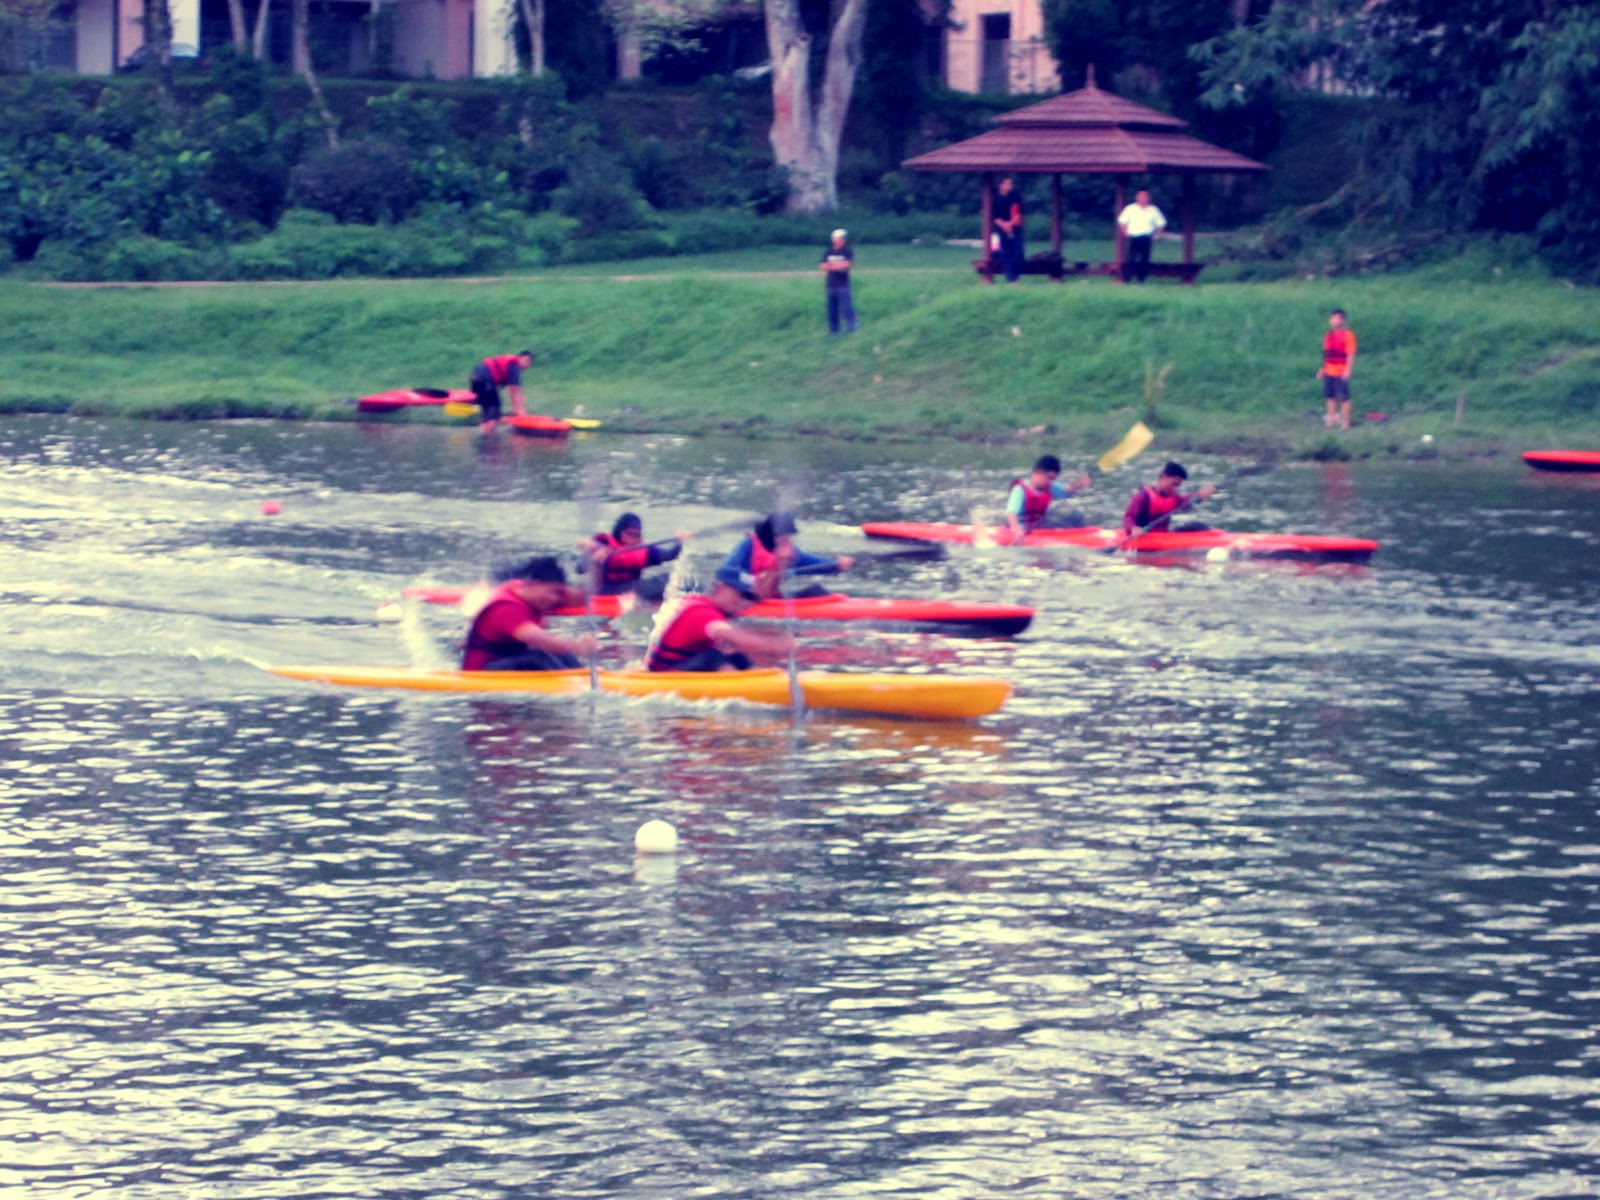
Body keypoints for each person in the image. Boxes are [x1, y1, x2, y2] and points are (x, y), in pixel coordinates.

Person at [460, 555, 596, 671]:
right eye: (552, 592)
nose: (555, 599)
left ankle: (581, 673)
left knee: (562, 655)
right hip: (483, 670)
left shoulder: (529, 591)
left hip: (509, 660)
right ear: (533, 584)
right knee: (539, 656)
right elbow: (542, 642)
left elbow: (583, 598)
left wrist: (595, 567)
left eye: (559, 593)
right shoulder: (506, 608)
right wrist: (577, 646)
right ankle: (574, 684)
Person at [645, 580, 796, 672]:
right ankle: (740, 689)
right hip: (664, 672)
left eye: (744, 595)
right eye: (736, 592)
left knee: (736, 656)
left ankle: (754, 682)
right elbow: (732, 636)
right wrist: (776, 645)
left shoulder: (710, 607)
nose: (740, 600)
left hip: (682, 664)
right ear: (719, 588)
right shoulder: (703, 613)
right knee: (714, 657)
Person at [715, 512, 855, 601]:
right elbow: (725, 572)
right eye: (784, 537)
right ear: (772, 537)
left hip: (772, 599)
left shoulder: (789, 551)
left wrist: (837, 565)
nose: (788, 541)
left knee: (818, 591)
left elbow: (813, 564)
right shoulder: (748, 546)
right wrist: (753, 580)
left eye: (789, 537)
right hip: (746, 598)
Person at [585, 512, 687, 602]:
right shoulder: (603, 544)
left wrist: (680, 542)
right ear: (619, 532)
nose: (632, 539)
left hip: (632, 592)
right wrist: (593, 558)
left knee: (672, 578)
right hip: (605, 594)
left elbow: (669, 555)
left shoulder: (643, 550)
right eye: (629, 534)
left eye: (636, 535)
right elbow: (579, 568)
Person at [1005, 454, 1093, 537]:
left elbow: (1068, 491)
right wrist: (1016, 529)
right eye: (1050, 478)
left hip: (1038, 528)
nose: (1051, 482)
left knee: (1075, 518)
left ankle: (1084, 536)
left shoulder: (1050, 486)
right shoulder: (1019, 490)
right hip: (1021, 528)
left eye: (1053, 479)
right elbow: (1011, 513)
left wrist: (1080, 484)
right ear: (1039, 472)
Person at [1123, 461, 1217, 535]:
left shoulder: (1173, 497)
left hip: (1163, 536)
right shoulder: (1142, 497)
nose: (1175, 488)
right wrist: (1133, 528)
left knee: (1199, 526)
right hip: (1144, 536)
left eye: (1178, 485)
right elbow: (1128, 517)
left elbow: (1186, 503)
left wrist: (1200, 496)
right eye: (1174, 484)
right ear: (1164, 477)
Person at [469, 349, 533, 435]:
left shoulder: (512, 364)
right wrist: (521, 413)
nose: (526, 365)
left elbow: (513, 392)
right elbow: (515, 391)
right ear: (520, 358)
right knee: (494, 413)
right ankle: (489, 439)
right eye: (526, 360)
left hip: (475, 376)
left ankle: (483, 435)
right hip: (485, 379)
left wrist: (515, 411)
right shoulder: (514, 365)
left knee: (487, 411)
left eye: (529, 362)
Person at [1318, 308, 1357, 430]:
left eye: (1336, 318)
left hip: (1341, 371)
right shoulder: (1328, 336)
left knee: (1344, 397)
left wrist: (1348, 369)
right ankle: (1331, 420)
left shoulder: (1348, 335)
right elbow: (1326, 354)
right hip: (1329, 370)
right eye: (1332, 318)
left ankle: (1345, 423)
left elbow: (1350, 353)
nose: (1333, 320)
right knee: (1330, 396)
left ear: (1342, 320)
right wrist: (1323, 369)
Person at [1116, 190, 1167, 284]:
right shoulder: (1130, 208)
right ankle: (1127, 278)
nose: (1143, 199)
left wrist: (1157, 235)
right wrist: (1125, 233)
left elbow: (1161, 223)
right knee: (1131, 258)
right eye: (1141, 197)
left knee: (1144, 259)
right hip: (1134, 237)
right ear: (1137, 198)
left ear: (1148, 198)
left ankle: (1141, 279)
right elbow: (1121, 222)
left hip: (1146, 237)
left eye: (1145, 197)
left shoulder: (1153, 210)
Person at [820, 229, 857, 335]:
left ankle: (852, 328)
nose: (843, 240)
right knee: (832, 310)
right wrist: (838, 266)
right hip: (830, 285)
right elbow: (823, 265)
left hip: (843, 285)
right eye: (841, 238)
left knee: (847, 308)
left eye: (844, 238)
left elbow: (846, 266)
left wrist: (831, 266)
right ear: (834, 239)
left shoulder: (847, 251)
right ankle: (834, 331)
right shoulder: (829, 251)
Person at [993, 177, 1025, 283]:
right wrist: (1004, 225)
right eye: (1007, 183)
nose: (1010, 186)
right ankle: (1010, 278)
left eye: (1011, 183)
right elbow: (994, 216)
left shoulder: (1015, 195)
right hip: (1002, 228)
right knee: (1006, 253)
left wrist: (1010, 224)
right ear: (1001, 185)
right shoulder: (995, 198)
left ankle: (1016, 277)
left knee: (1018, 252)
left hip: (1015, 227)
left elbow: (1019, 213)